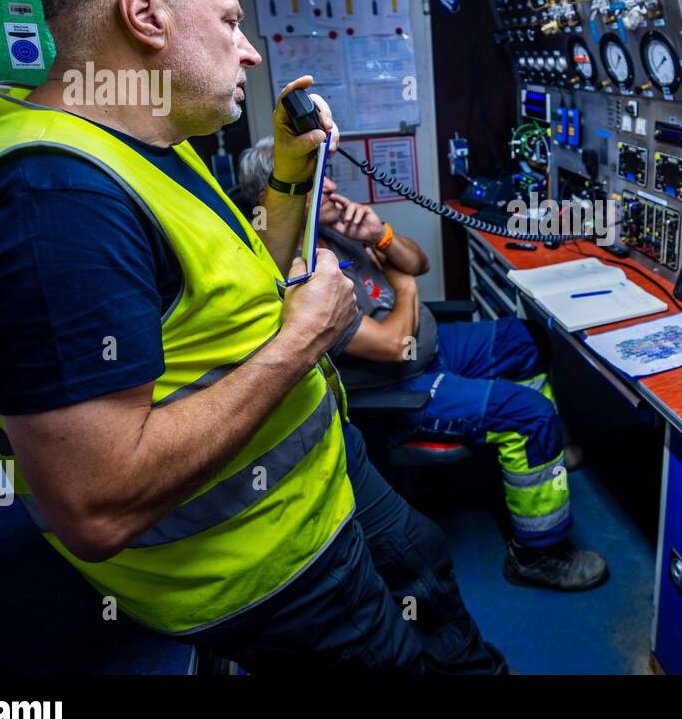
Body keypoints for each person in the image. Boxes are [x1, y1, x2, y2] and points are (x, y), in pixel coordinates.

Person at [0, 0, 504, 674]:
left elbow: (242, 281)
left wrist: (295, 172)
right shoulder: (50, 203)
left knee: (423, 561)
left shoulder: (147, 143)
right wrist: (304, 339)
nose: (251, 46)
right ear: (144, 15)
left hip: (325, 479)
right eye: (230, 20)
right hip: (260, 563)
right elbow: (98, 503)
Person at [239, 137, 610, 591]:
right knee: (531, 415)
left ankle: (537, 455)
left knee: (527, 339)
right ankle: (536, 554)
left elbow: (420, 260)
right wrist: (404, 283)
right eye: (316, 176)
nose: (332, 184)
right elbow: (396, 345)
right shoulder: (297, 272)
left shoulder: (328, 226)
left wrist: (382, 236)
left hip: (434, 350)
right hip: (401, 387)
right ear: (273, 196)